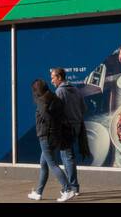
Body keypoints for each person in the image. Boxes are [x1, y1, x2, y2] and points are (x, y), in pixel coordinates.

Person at [27, 79, 72, 202]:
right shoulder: (55, 98)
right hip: (55, 136)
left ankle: (67, 189)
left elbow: (48, 118)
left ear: (36, 91)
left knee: (52, 164)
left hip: (46, 137)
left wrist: (49, 130)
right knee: (44, 164)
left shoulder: (42, 101)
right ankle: (38, 192)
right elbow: (59, 117)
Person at [50, 67, 84, 197]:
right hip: (76, 126)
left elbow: (56, 113)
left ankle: (73, 187)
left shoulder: (59, 92)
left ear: (59, 77)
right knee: (69, 156)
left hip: (66, 128)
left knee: (67, 156)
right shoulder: (75, 89)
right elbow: (83, 108)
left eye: (53, 77)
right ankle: (73, 186)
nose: (52, 80)